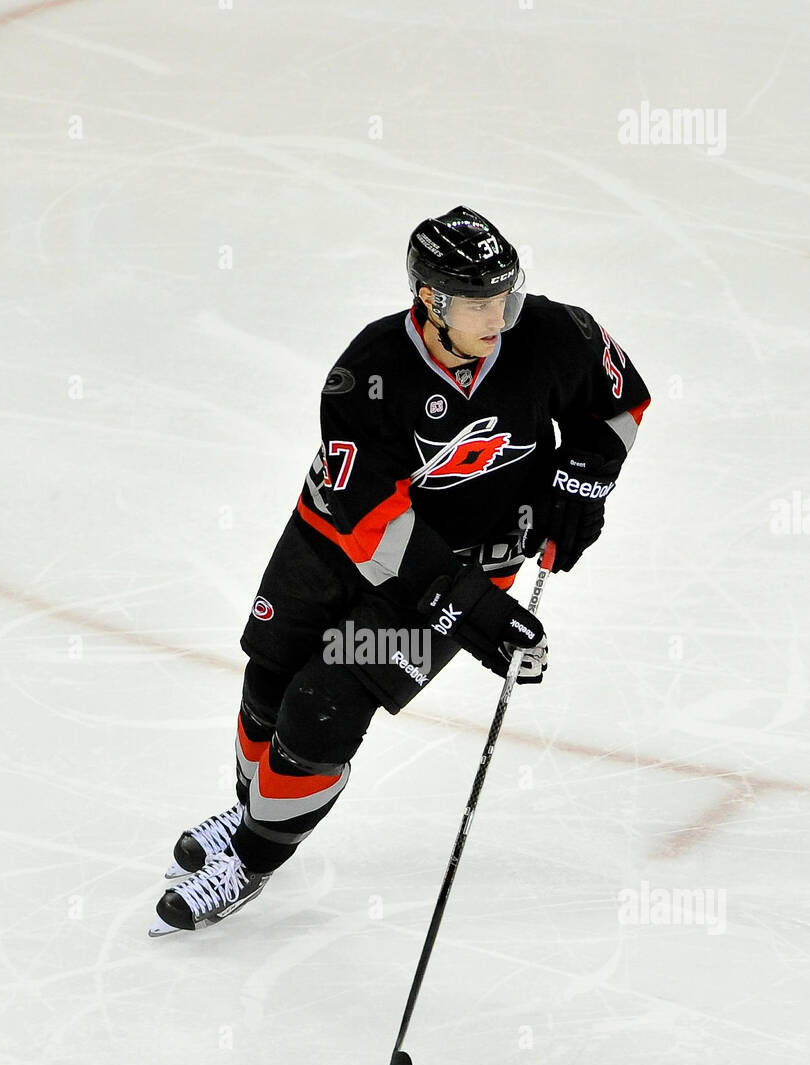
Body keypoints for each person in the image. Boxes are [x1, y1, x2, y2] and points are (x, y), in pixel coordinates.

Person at [151, 206, 650, 936]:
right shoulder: (370, 371)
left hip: (470, 561)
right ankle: (258, 804)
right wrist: (471, 610)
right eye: (478, 302)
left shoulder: (552, 335)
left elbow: (621, 400)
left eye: (505, 295)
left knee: (322, 708)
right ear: (429, 300)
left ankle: (252, 858)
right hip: (335, 540)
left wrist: (590, 473)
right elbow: (371, 521)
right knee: (270, 677)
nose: (499, 315)